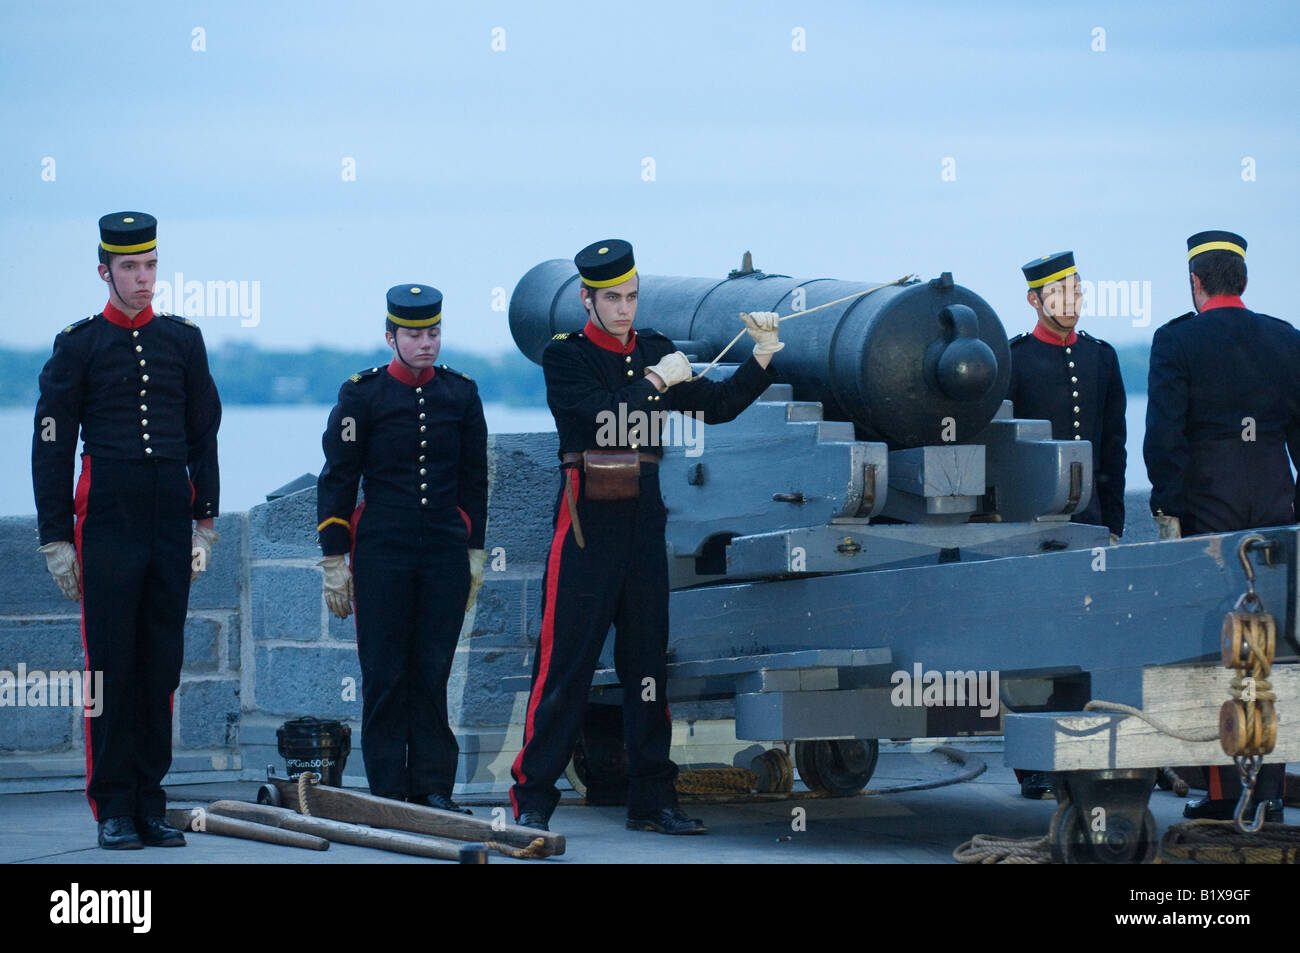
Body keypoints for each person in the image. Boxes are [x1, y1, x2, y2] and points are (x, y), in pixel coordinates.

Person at [509, 239, 783, 834]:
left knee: (648, 664)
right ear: (587, 298)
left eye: (632, 297)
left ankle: (652, 799)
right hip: (587, 520)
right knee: (566, 665)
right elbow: (601, 420)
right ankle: (531, 797)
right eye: (612, 299)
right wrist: (658, 381)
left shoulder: (654, 348)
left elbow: (717, 407)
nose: (624, 309)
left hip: (642, 518)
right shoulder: (568, 356)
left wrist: (763, 356)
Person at [32, 212, 222, 849]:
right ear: (105, 271)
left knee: (161, 666)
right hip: (108, 523)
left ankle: (150, 801)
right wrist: (57, 536)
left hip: (170, 520)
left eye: (150, 266)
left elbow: (203, 435)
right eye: (130, 268)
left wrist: (207, 521)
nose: (143, 279)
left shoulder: (182, 341)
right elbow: (51, 445)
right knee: (110, 667)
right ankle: (112, 805)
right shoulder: (79, 345)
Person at [1144, 230, 1300, 822]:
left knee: (1218, 650)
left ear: (1195, 283)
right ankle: (1270, 793)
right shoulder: (1287, 340)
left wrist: (1172, 508)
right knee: (1275, 651)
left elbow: (1163, 439)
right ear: (1243, 281)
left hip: (1210, 505)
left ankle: (1223, 792)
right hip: (1276, 501)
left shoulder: (1176, 341)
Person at [316, 284, 487, 813]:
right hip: (382, 547)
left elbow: (473, 480)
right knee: (386, 673)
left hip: (442, 548)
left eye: (433, 333)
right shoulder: (361, 396)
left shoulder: (461, 394)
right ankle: (389, 791)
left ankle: (434, 786)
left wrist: (474, 551)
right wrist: (333, 557)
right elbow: (338, 477)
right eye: (414, 335)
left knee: (432, 671)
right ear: (390, 336)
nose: (426, 343)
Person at [1008, 251, 1127, 800]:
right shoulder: (1014, 361)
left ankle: (1084, 749)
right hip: (1031, 525)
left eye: (1076, 291)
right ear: (1035, 300)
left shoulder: (1102, 359)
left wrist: (1114, 523)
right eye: (1057, 294)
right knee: (1031, 643)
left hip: (1092, 523)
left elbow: (1113, 450)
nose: (1070, 302)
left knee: (1087, 640)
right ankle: (1034, 764)